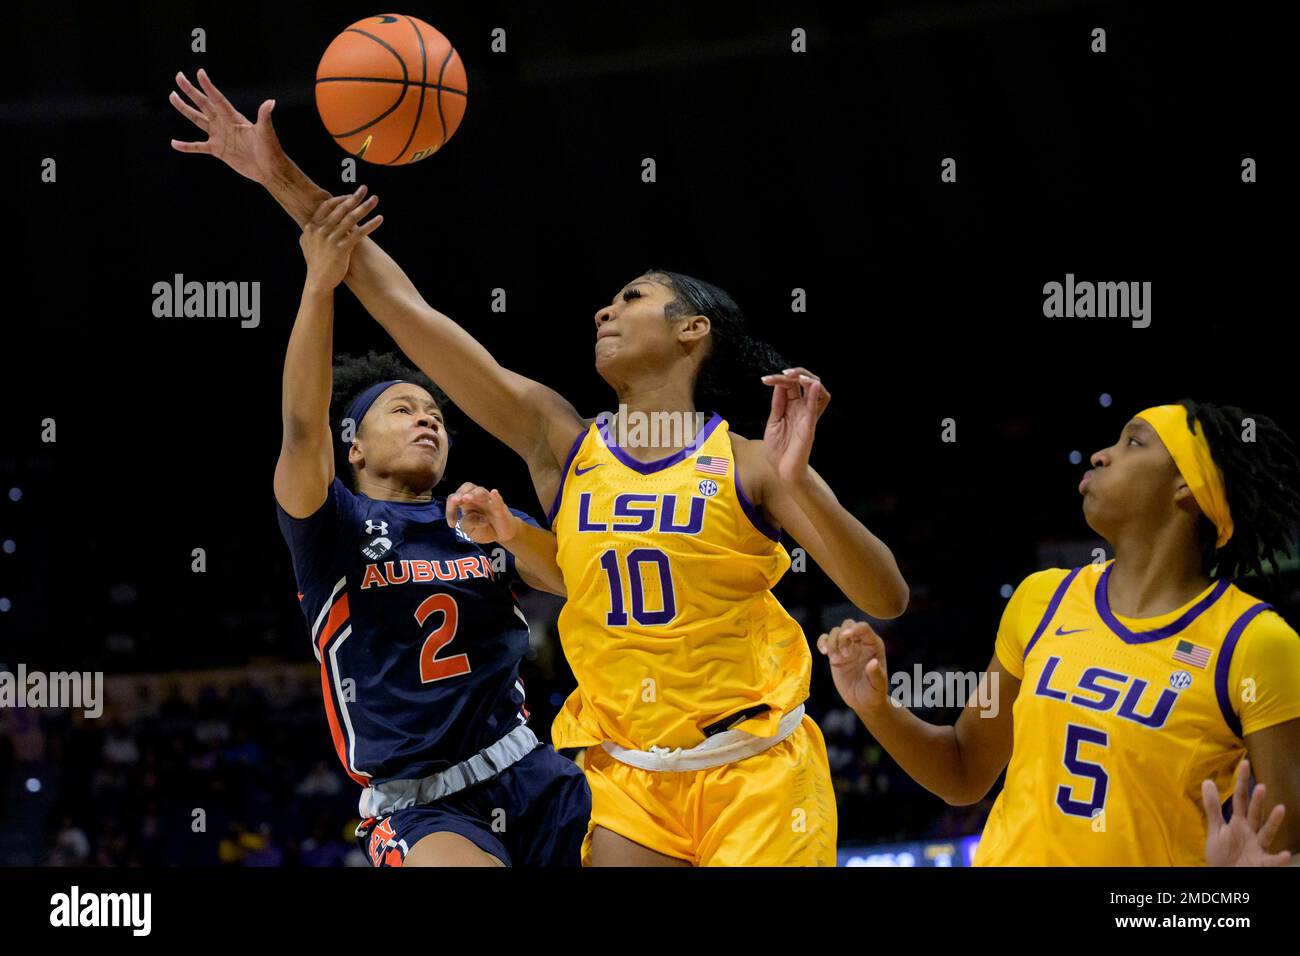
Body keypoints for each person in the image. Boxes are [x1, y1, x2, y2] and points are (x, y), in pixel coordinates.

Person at [170, 69, 908, 866]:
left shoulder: (757, 461)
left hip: (756, 767)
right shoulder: (562, 441)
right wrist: (277, 177)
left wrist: (800, 488)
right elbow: (405, 310)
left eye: (631, 297)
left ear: (693, 329)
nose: (604, 310)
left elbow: (885, 594)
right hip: (627, 780)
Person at [819, 401, 1300, 865]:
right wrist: (875, 707)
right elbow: (964, 772)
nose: (1100, 454)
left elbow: (1282, 847)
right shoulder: (1041, 600)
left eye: (1134, 442)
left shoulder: (1255, 643)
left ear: (1186, 489)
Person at [273, 189, 589, 867]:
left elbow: (581, 579)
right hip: (422, 804)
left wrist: (511, 535)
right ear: (353, 444)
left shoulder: (476, 514)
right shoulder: (332, 526)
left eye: (436, 415)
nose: (429, 419)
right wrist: (319, 285)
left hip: (533, 770)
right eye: (403, 409)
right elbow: (302, 428)